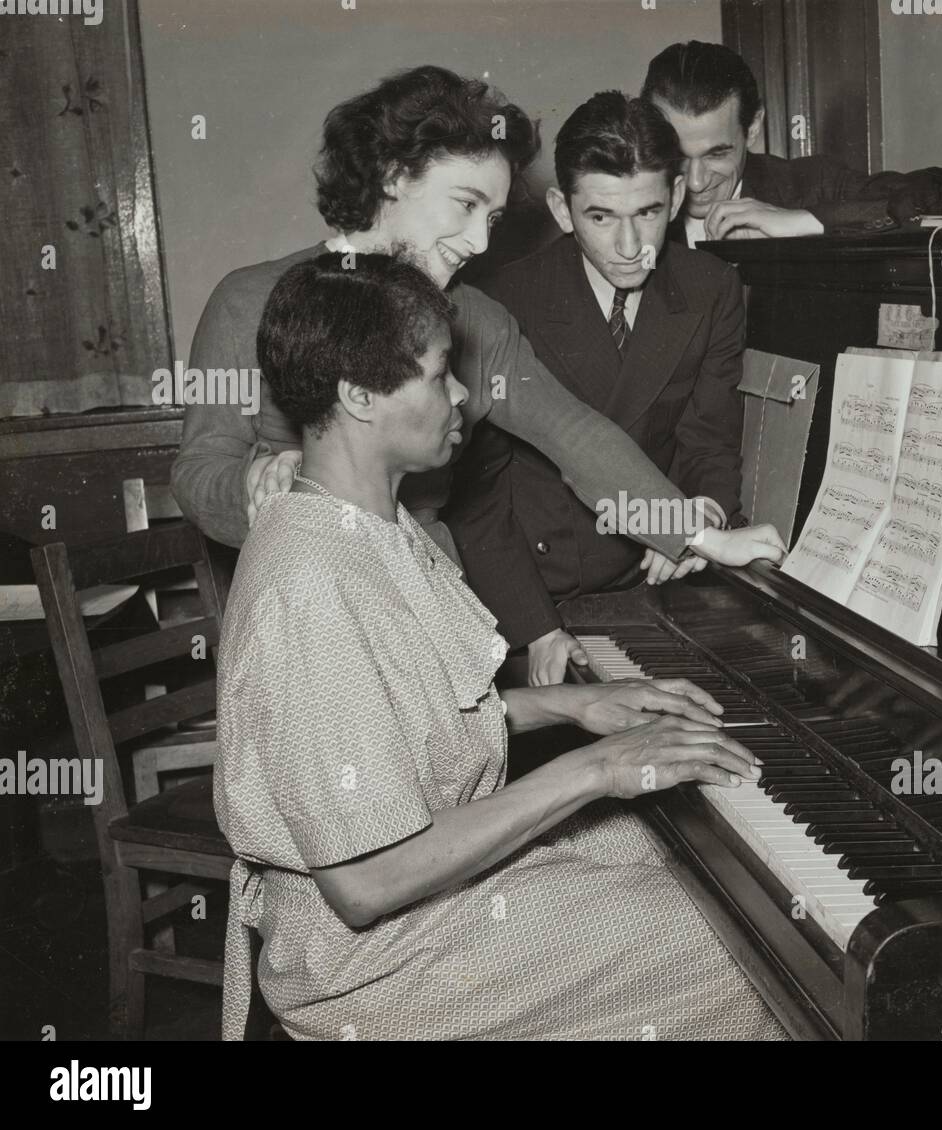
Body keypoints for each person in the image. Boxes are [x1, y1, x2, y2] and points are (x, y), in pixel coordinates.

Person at [216, 250, 788, 1041]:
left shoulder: (365, 522)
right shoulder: (308, 581)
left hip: (416, 909)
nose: (462, 395)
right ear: (358, 396)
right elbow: (363, 879)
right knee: (750, 953)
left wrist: (577, 702)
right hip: (374, 964)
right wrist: (594, 767)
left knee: (689, 862)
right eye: (439, 373)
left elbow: (409, 722)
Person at [170, 64, 783, 577]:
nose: (479, 243)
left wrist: (700, 536)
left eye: (491, 218)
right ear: (392, 178)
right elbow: (198, 473)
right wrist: (256, 487)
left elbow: (577, 437)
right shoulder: (246, 300)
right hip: (301, 591)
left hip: (433, 593)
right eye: (465, 205)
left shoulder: (476, 320)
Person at [447, 92, 744, 687]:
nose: (631, 246)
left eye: (650, 212)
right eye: (601, 217)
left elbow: (709, 442)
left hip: (646, 581)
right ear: (562, 209)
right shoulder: (501, 301)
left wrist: (690, 523)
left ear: (678, 196)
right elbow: (478, 498)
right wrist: (535, 628)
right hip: (526, 596)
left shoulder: (713, 288)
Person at [641, 40, 942, 246]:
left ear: (752, 128)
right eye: (677, 156)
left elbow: (933, 196)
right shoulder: (627, 207)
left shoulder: (810, 184)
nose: (695, 182)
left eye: (716, 154)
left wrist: (802, 220)